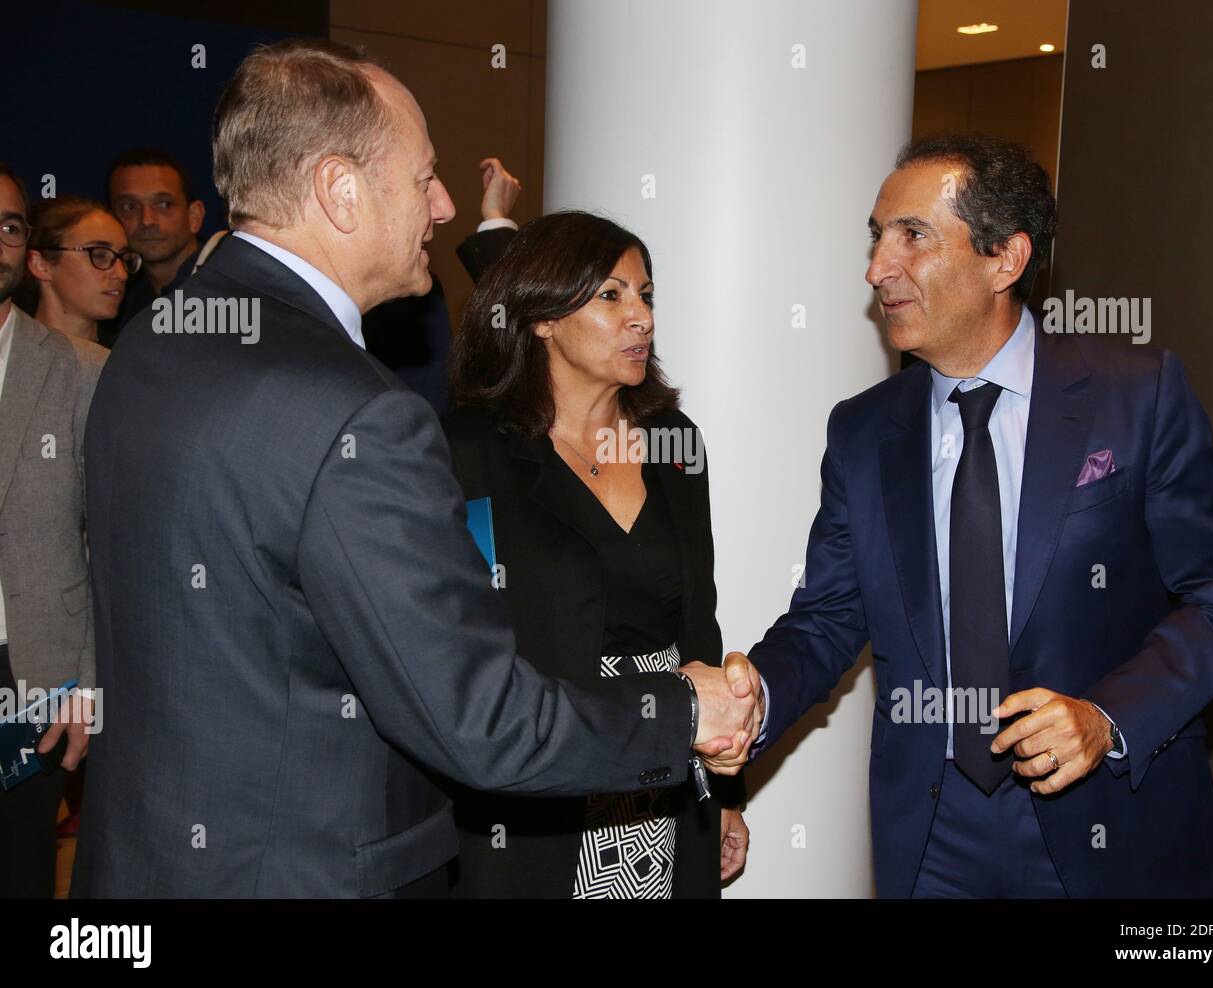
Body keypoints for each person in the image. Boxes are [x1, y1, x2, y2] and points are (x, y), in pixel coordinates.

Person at [72, 38, 760, 899]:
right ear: (339, 191)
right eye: (421, 177)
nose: (440, 206)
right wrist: (686, 712)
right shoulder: (360, 414)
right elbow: (478, 719)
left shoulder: (153, 344)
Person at [715, 133, 1213, 898]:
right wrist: (759, 695)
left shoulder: (1136, 397)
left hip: (1117, 824)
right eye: (877, 238)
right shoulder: (863, 431)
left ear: (1005, 260)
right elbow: (829, 616)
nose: (878, 267)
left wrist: (1107, 717)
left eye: (912, 236)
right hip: (933, 841)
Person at [443, 211, 749, 897]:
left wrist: (730, 788)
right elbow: (453, 645)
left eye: (646, 296)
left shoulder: (674, 441)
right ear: (543, 317)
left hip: (669, 770)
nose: (639, 317)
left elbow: (700, 622)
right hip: (538, 774)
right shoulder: (471, 450)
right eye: (611, 296)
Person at [0, 163, 103, 897]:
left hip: (34, 676)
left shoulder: (79, 371)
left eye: (7, 226)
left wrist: (87, 687)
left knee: (22, 873)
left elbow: (104, 544)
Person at [101, 147, 206, 348]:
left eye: (164, 204)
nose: (147, 220)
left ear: (194, 216)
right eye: (129, 207)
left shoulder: (235, 288)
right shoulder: (115, 304)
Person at [24, 197, 137, 347]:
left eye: (123, 257)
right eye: (99, 255)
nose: (122, 274)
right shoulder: (9, 353)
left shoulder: (130, 359)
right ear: (40, 265)